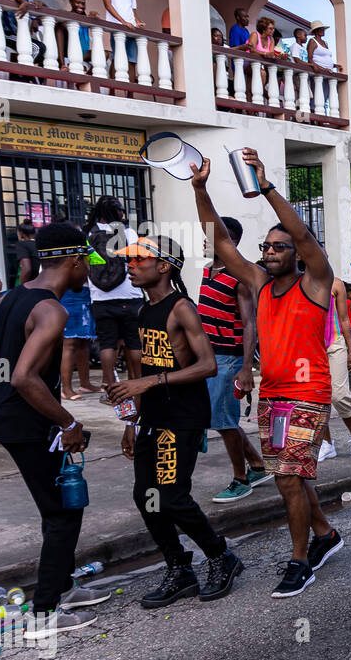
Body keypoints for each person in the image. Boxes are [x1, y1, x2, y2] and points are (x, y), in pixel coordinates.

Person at [191, 150, 343, 597]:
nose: (270, 252)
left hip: (308, 394)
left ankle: (300, 562)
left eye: (279, 246)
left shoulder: (314, 282)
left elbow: (304, 234)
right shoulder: (259, 284)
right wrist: (200, 189)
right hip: (273, 396)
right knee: (288, 474)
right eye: (266, 247)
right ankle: (326, 536)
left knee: (287, 478)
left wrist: (267, 186)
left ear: (299, 252)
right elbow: (218, 240)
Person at [0, 224, 111, 639]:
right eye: (87, 264)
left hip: (9, 416)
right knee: (64, 511)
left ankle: (63, 587)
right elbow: (24, 377)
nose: (88, 272)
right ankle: (43, 613)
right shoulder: (52, 309)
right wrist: (69, 421)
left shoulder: (12, 298)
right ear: (75, 261)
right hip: (28, 421)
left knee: (56, 503)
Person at [105, 235, 244, 607]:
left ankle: (221, 556)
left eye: (138, 260)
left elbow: (208, 365)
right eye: (128, 261)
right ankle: (179, 567)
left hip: (181, 418)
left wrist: (150, 381)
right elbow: (140, 367)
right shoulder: (141, 310)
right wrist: (130, 420)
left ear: (163, 266)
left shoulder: (181, 307)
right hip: (152, 416)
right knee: (145, 495)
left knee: (171, 496)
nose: (130, 266)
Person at [197, 215, 270, 503]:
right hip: (210, 356)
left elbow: (250, 323)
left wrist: (245, 367)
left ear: (231, 243)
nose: (205, 240)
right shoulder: (207, 271)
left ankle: (241, 480)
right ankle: (257, 466)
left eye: (213, 236)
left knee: (224, 421)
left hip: (229, 358)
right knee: (223, 418)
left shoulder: (238, 277)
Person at [82, 196, 142, 386]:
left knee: (107, 343)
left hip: (100, 298)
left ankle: (108, 383)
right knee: (134, 342)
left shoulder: (88, 234)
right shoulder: (127, 232)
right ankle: (136, 381)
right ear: (118, 212)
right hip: (130, 295)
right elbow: (136, 258)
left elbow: (86, 264)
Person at [318, 276, 351, 462]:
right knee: (317, 397)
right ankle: (327, 444)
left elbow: (344, 319)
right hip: (311, 346)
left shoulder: (335, 283)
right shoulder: (299, 283)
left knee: (339, 394)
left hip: (335, 343)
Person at [59, 273, 98, 399]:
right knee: (69, 343)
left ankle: (85, 384)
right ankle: (66, 389)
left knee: (84, 341)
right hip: (66, 291)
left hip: (85, 291)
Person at [99, 0, 143, 67]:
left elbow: (133, 12)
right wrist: (123, 22)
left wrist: (138, 22)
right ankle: (113, 84)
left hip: (131, 30)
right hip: (118, 27)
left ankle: (131, 84)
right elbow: (108, 5)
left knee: (132, 62)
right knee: (117, 60)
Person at [15, 220, 38, 286]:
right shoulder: (41, 244)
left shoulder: (22, 245)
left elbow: (27, 269)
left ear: (21, 233)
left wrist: (22, 287)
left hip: (32, 284)